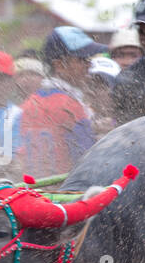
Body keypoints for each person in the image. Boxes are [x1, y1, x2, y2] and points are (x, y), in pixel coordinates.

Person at [18, 26, 101, 177]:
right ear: (59, 65)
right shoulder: (71, 107)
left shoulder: (28, 104)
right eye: (82, 60)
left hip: (32, 193)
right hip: (66, 193)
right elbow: (89, 165)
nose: (89, 65)